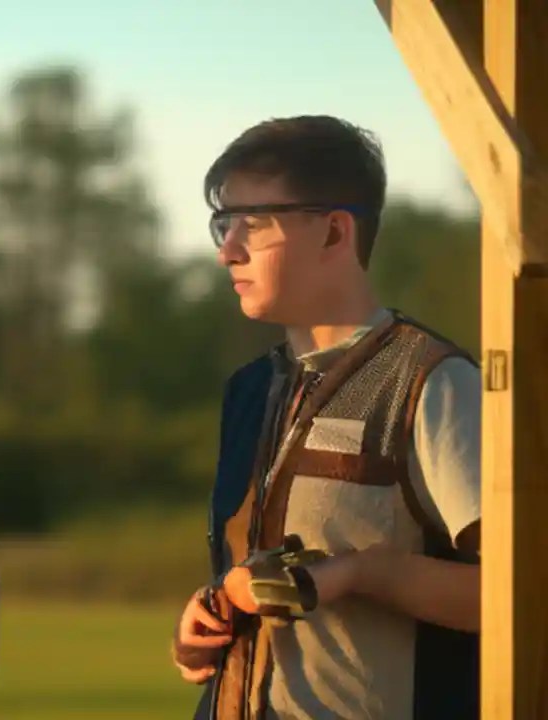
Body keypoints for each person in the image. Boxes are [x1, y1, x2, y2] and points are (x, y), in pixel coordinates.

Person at [171, 115, 481, 720]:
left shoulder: (433, 382)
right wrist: (204, 626)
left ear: (335, 233)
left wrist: (360, 574)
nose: (226, 249)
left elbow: (522, 598)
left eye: (252, 224)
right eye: (222, 221)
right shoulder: (250, 391)